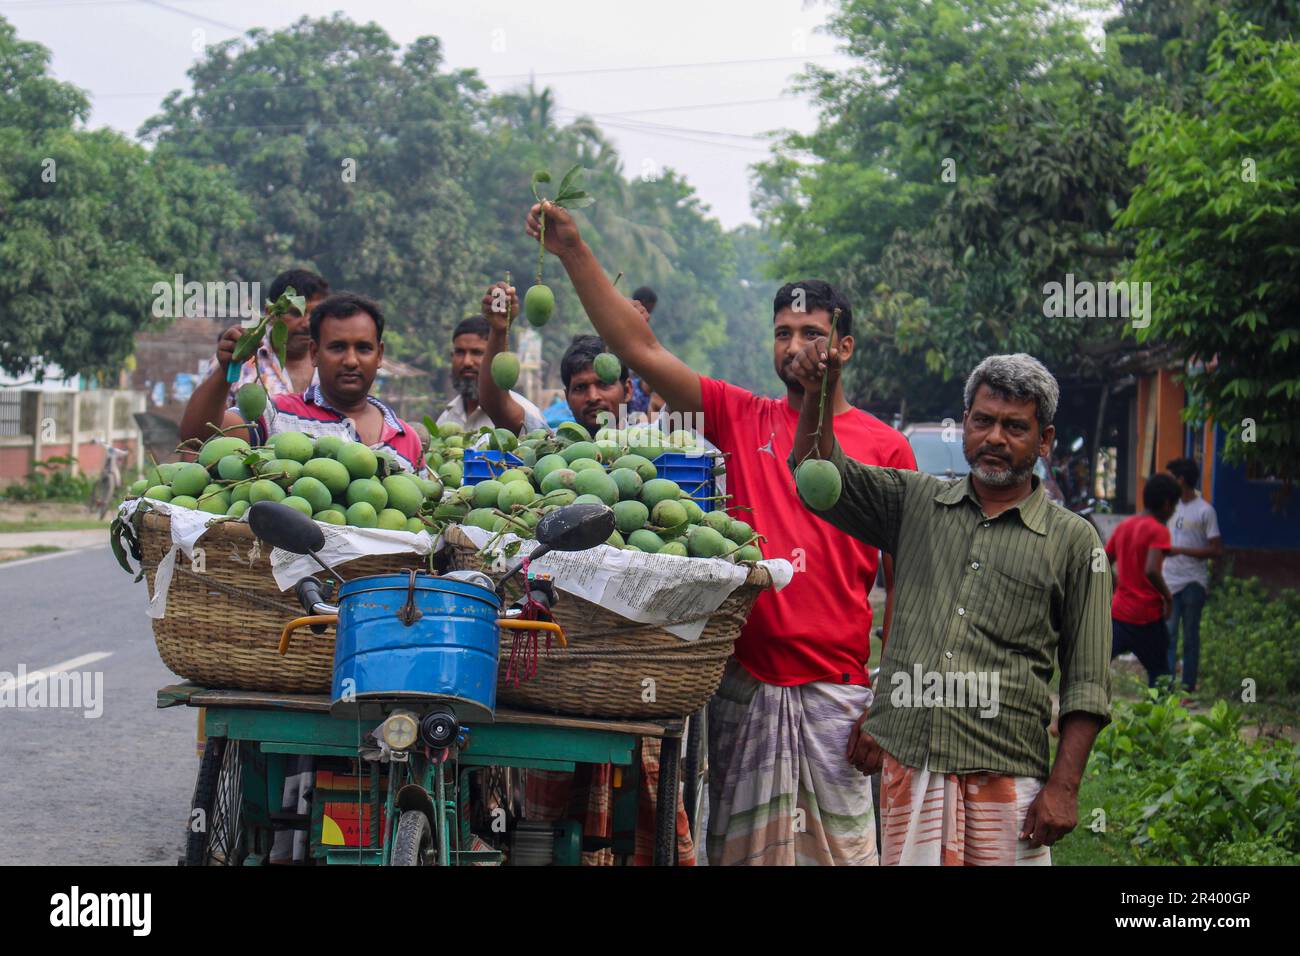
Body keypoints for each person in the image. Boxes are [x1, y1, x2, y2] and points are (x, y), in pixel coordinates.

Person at [525, 201, 914, 867]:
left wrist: (890, 707)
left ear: (844, 347)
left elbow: (909, 589)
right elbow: (638, 350)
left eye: (813, 332)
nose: (796, 346)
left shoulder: (887, 447)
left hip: (840, 699)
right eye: (783, 331)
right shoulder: (740, 416)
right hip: (745, 685)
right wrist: (571, 251)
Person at [786, 349, 1112, 866]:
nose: (996, 438)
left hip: (1005, 770)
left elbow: (1089, 681)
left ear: (1044, 439)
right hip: (910, 763)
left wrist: (1065, 787)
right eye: (983, 421)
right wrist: (818, 394)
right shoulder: (913, 502)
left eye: (1015, 427)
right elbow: (818, 475)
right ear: (965, 424)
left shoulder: (1075, 542)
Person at [188, 291, 425, 474]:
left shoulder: (407, 438)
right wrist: (223, 372)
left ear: (379, 355)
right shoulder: (279, 414)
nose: (351, 361)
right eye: (337, 347)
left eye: (363, 348)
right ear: (314, 353)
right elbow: (200, 437)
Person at [179, 269, 329, 444]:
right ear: (270, 313)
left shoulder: (333, 364)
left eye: (315, 315)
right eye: (296, 313)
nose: (306, 324)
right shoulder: (239, 357)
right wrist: (225, 371)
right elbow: (196, 439)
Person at [477, 282, 630, 438]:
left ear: (628, 390)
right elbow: (495, 405)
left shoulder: (649, 438)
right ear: (567, 398)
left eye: (603, 384)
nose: (592, 397)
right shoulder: (550, 443)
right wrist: (499, 331)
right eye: (580, 388)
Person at [1106, 472, 1181, 688]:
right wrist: (1168, 598)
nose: (1174, 511)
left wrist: (1114, 586)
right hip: (1147, 615)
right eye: (1174, 506)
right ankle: (1158, 719)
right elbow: (1151, 569)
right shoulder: (1159, 530)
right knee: (1160, 675)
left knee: (1096, 666)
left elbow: (1102, 559)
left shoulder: (1125, 526)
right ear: (1167, 504)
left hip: (1119, 613)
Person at [1163, 458, 1221, 692]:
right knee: (1168, 634)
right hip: (1168, 580)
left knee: (1190, 636)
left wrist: (1181, 550)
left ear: (1181, 480)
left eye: (1172, 478)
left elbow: (1216, 549)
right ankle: (1166, 685)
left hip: (1194, 582)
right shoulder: (1169, 507)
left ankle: (1187, 686)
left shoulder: (1205, 511)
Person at [437, 314, 546, 434]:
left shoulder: (523, 416)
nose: (467, 362)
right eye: (460, 352)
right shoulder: (446, 418)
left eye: (477, 352)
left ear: (494, 359)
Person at [627, 287, 658, 417]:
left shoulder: (640, 324)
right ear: (644, 302)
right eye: (650, 308)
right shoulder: (626, 318)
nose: (650, 313)